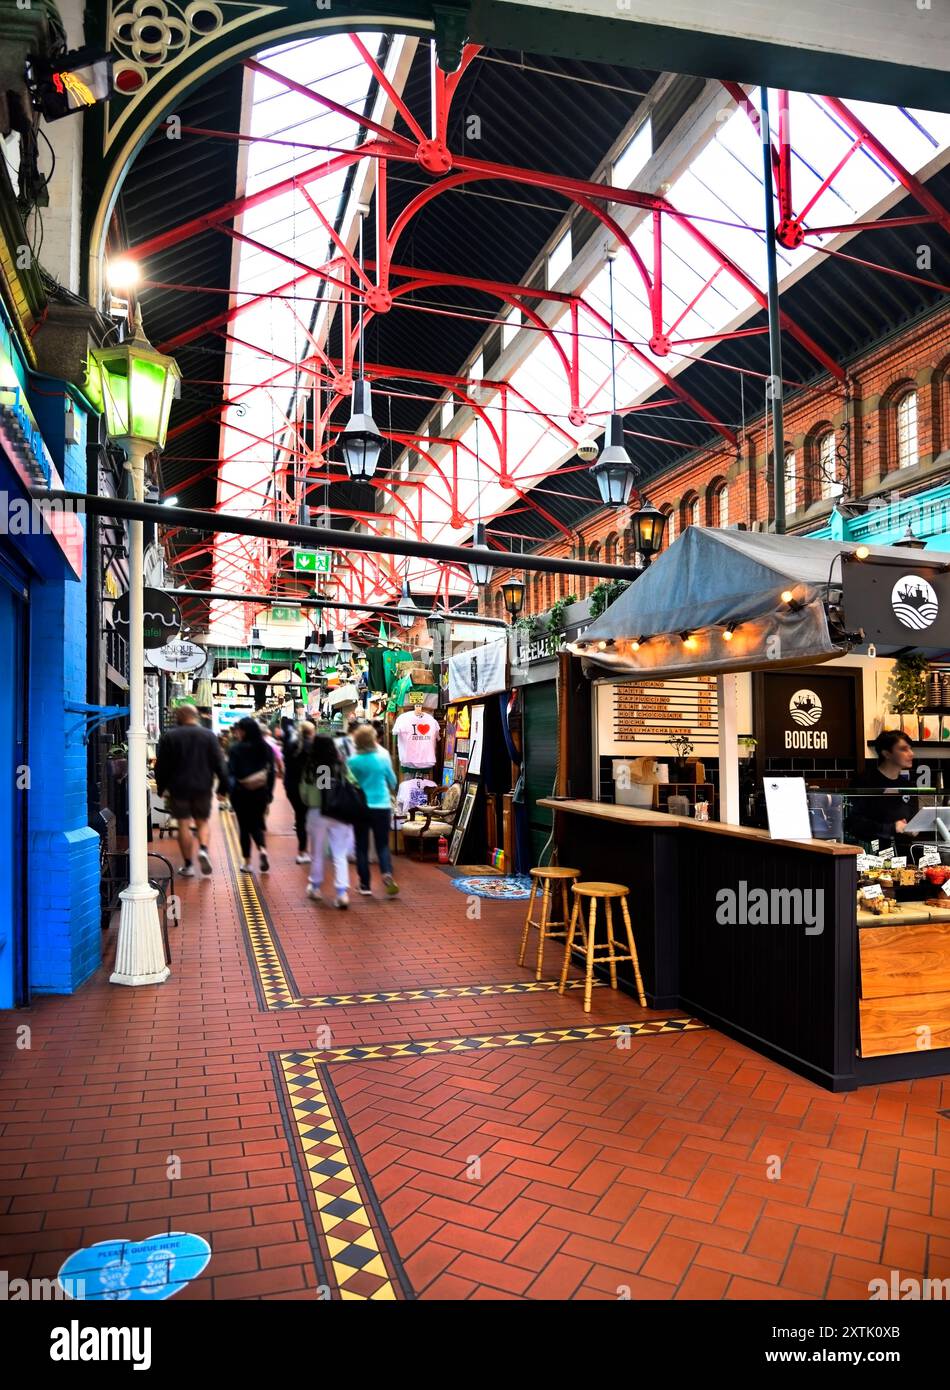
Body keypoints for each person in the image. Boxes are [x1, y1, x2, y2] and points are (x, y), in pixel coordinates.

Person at [154, 704, 228, 877]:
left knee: (183, 825)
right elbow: (220, 764)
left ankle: (188, 865)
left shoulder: (170, 736)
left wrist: (161, 787)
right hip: (202, 786)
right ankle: (202, 849)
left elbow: (161, 766)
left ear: (180, 716)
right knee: (202, 822)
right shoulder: (209, 736)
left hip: (178, 788)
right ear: (195, 716)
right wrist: (223, 788)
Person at [299, 731, 351, 909]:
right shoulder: (341, 763)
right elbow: (351, 782)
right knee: (340, 853)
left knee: (317, 852)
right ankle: (342, 892)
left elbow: (305, 794)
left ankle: (315, 886)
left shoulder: (311, 765)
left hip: (318, 813)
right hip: (340, 812)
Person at [347, 724, 399, 897]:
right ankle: (386, 873)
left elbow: (347, 783)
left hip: (360, 807)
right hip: (382, 806)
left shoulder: (352, 761)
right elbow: (392, 782)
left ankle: (365, 885)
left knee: (361, 847)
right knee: (382, 844)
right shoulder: (383, 758)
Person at [847, 731, 919, 849]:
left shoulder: (908, 785)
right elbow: (854, 823)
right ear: (886, 753)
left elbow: (912, 818)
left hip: (904, 854)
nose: (911, 753)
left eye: (910, 748)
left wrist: (914, 828)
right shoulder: (864, 782)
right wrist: (892, 828)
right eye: (903, 749)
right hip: (872, 853)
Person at [228, 717, 276, 873]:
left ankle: (247, 863)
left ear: (243, 731)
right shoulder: (266, 748)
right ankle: (262, 850)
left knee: (244, 827)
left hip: (240, 794)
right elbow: (271, 773)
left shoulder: (236, 749)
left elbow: (231, 772)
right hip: (260, 792)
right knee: (256, 823)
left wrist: (224, 791)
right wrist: (269, 793)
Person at [283, 719, 314, 862]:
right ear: (310, 732)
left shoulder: (290, 746)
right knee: (311, 817)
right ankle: (314, 850)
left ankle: (302, 852)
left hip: (291, 786)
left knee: (300, 816)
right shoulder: (313, 747)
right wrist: (325, 787)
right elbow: (321, 768)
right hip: (310, 787)